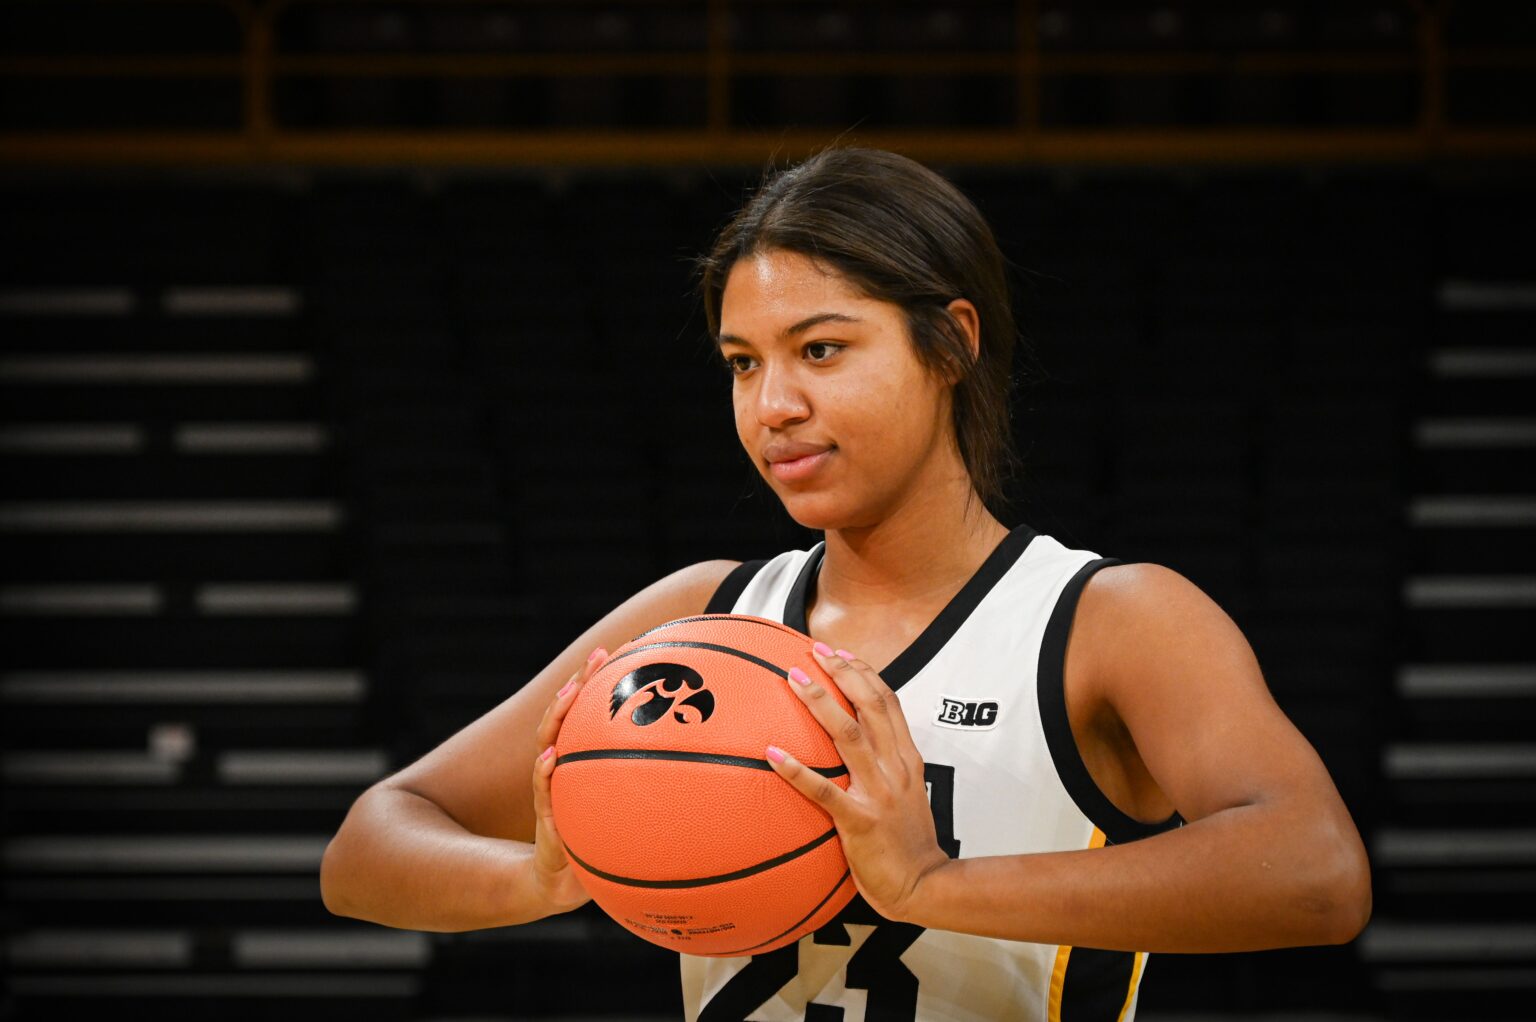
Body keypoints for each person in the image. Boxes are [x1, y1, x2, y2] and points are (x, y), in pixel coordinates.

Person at [320, 146, 1372, 1021]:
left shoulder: (1105, 621)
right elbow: (368, 844)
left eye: (821, 349)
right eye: (742, 362)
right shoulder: (701, 619)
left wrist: (934, 885)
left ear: (950, 343)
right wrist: (544, 876)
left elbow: (1317, 873)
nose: (772, 403)